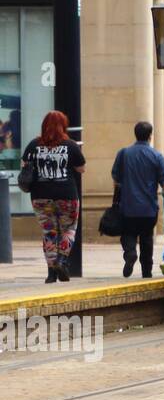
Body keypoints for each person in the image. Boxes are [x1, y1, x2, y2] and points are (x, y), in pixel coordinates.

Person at [21, 111, 85, 283]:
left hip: (41, 197)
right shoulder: (70, 145)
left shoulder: (34, 144)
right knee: (69, 229)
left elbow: (24, 165)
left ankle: (51, 274)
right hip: (66, 196)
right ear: (63, 126)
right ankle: (62, 261)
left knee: (49, 232)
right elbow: (81, 168)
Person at [111, 121, 164, 279]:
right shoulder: (157, 156)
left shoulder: (123, 153)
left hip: (128, 206)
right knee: (147, 239)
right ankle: (147, 271)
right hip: (148, 208)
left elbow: (116, 179)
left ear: (135, 134)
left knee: (128, 234)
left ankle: (130, 253)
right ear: (150, 136)